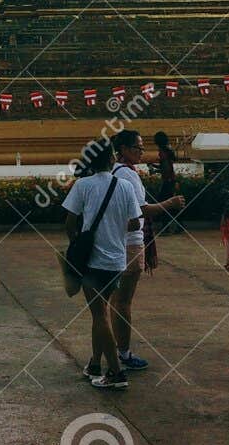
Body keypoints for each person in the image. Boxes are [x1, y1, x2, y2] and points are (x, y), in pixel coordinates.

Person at [63, 138, 143, 390]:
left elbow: (69, 221)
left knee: (100, 315)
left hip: (93, 261)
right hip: (116, 259)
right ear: (111, 159)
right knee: (101, 313)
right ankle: (95, 363)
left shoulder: (82, 185)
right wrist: (115, 226)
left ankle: (116, 373)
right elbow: (135, 223)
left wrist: (78, 242)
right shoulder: (125, 186)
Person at [110, 129, 186, 370]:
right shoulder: (128, 176)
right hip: (130, 241)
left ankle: (113, 350)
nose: (141, 151)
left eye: (142, 147)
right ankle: (123, 352)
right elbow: (141, 210)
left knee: (114, 301)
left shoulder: (114, 171)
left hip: (114, 240)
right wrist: (169, 204)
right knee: (123, 303)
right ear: (123, 149)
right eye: (136, 147)